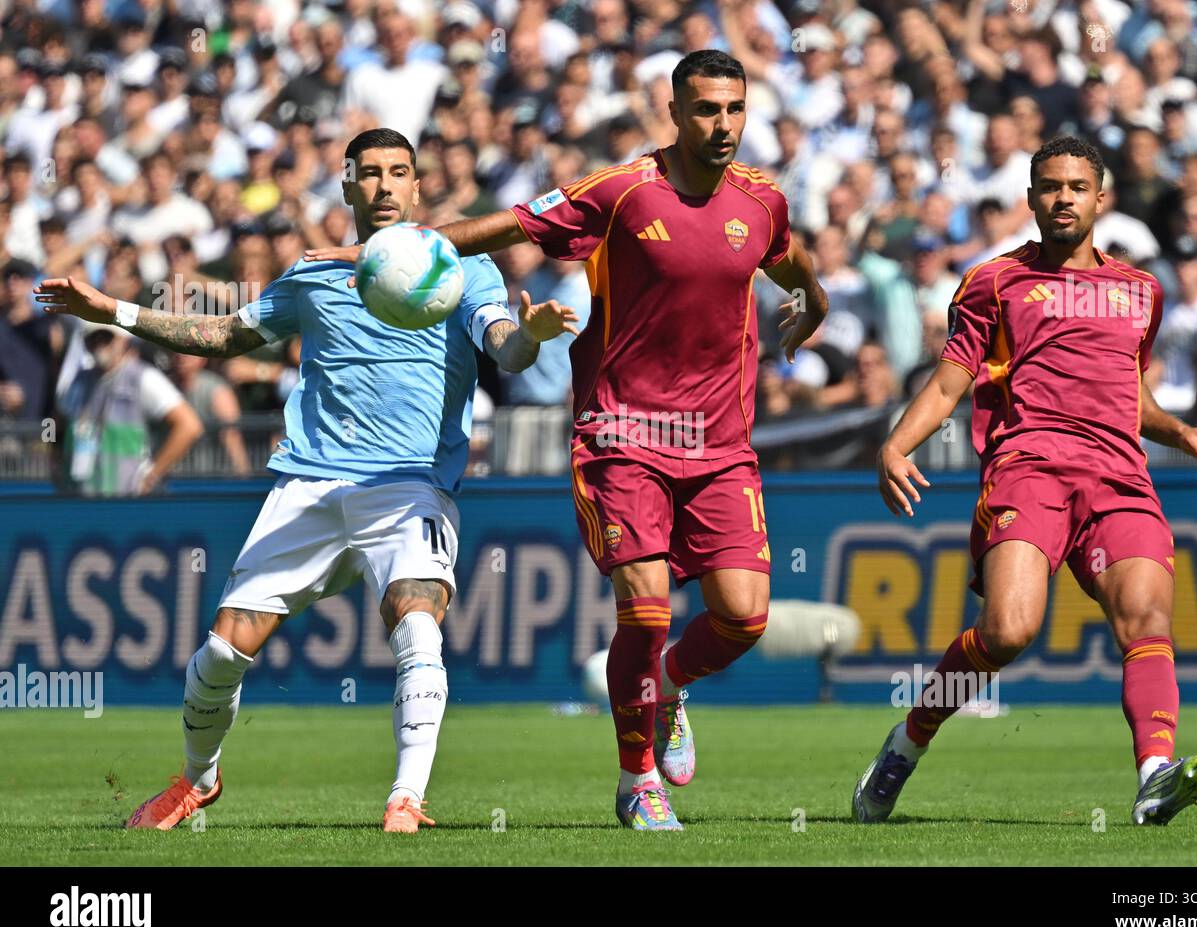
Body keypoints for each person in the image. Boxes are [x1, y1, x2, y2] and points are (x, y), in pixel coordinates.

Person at [318, 51, 829, 830]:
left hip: (722, 443)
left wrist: (813, 306)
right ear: (675, 112)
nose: (721, 125)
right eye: (704, 109)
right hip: (621, 433)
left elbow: (791, 263)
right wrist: (399, 250)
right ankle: (636, 783)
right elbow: (512, 222)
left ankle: (669, 687)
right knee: (648, 609)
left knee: (743, 618)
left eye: (733, 109)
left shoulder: (760, 201)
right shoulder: (621, 192)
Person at [35, 128, 578, 832]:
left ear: (418, 186)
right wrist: (114, 311)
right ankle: (198, 781)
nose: (385, 187)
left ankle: (406, 798)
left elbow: (501, 342)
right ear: (348, 187)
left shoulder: (459, 265)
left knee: (416, 621)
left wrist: (529, 335)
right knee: (223, 650)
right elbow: (225, 335)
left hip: (408, 484)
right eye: (371, 175)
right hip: (310, 485)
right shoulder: (316, 274)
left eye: (399, 173)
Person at [857, 135, 1197, 828]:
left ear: (1101, 198)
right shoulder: (993, 282)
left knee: (1147, 618)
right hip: (1028, 467)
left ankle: (1154, 775)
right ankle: (906, 744)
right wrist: (897, 444)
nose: (1063, 198)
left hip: (1120, 475)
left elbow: (1129, 392)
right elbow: (951, 380)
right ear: (1031, 198)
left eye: (1076, 187)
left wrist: (1183, 432)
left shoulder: (1140, 291)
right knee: (1006, 631)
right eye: (1051, 186)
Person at [58, 324, 203, 496]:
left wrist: (151, 475)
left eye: (106, 338)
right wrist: (54, 463)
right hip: (83, 499)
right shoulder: (78, 381)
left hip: (130, 503)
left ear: (123, 340)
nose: (99, 344)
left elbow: (190, 426)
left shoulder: (143, 378)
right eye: (93, 338)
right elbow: (56, 423)